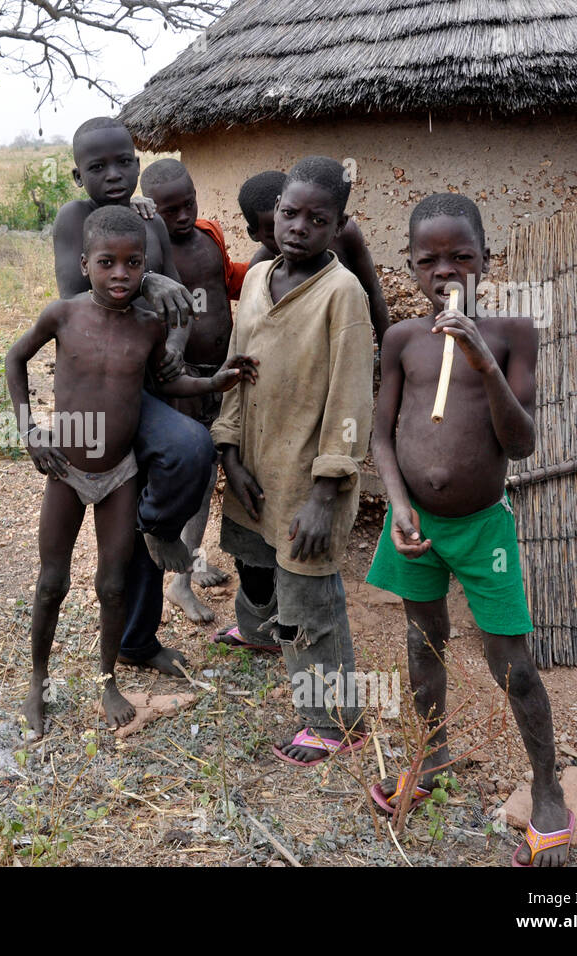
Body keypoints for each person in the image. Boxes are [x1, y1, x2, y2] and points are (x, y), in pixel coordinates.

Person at [365, 193, 571, 866]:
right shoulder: (401, 340)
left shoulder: (513, 334)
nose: (445, 271)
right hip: (417, 524)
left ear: (487, 260)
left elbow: (522, 444)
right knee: (423, 643)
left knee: (511, 664)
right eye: (429, 260)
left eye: (462, 257)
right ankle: (432, 756)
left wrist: (484, 361)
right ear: (410, 267)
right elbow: (380, 432)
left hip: (483, 528)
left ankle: (547, 792)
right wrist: (397, 501)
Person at [8, 205, 256, 736]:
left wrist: (215, 384)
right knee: (51, 583)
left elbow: (168, 384)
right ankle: (38, 682)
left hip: (119, 472)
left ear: (147, 265)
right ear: (84, 263)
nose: (121, 274)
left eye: (132, 262)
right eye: (107, 263)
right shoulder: (64, 315)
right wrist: (29, 431)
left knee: (113, 584)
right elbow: (15, 359)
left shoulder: (148, 325)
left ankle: (106, 680)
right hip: (69, 469)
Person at [212, 157, 372, 765]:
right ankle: (257, 632)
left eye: (317, 218)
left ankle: (332, 720)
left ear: (339, 227)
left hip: (308, 479)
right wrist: (230, 451)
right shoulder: (256, 278)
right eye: (288, 213)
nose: (298, 227)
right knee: (253, 556)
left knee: (309, 598)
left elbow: (353, 401)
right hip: (255, 460)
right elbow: (236, 364)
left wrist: (325, 495)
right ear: (273, 213)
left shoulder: (343, 295)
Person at [52, 116, 215, 676]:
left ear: (138, 163)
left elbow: (178, 301)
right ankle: (138, 610)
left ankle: (139, 635)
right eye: (98, 167)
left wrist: (174, 350)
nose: (115, 174)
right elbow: (77, 298)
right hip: (103, 390)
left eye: (124, 162)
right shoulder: (75, 219)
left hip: (150, 379)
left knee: (176, 469)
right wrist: (145, 282)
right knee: (183, 453)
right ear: (79, 175)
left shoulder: (149, 220)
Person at [139, 157, 249, 623]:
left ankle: (193, 563)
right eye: (170, 211)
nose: (183, 216)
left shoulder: (209, 235)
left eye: (189, 204)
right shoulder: (149, 254)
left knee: (219, 473)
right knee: (197, 478)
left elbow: (227, 282)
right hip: (182, 382)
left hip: (222, 374)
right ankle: (179, 582)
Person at [238, 169, 391, 345]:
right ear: (254, 235)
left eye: (315, 220)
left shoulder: (344, 237)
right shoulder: (259, 272)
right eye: (272, 232)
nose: (293, 231)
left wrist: (386, 352)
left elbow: (372, 291)